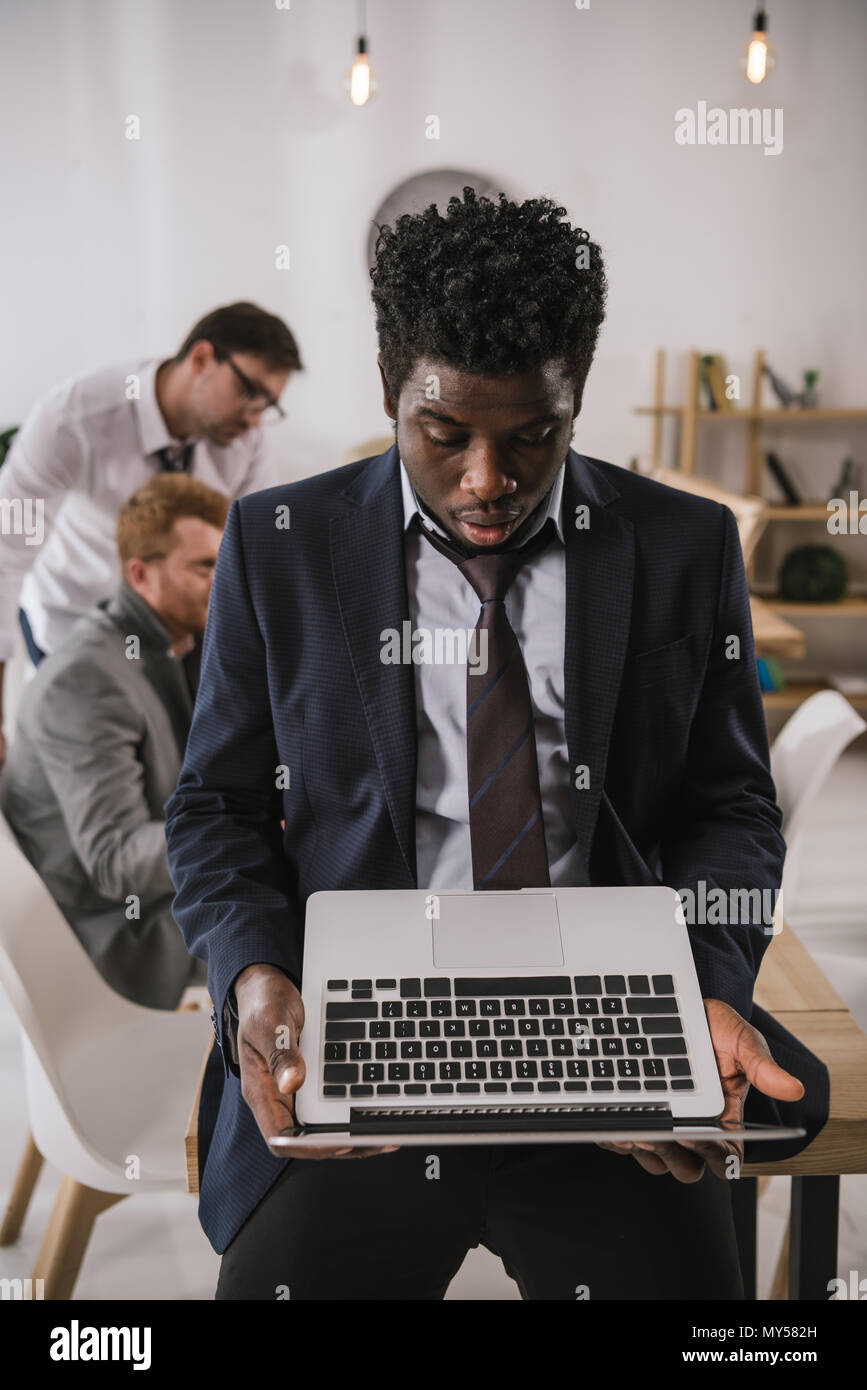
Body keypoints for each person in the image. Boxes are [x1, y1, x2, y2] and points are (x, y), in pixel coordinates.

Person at [164, 188, 828, 1299]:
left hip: (612, 1043)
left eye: (533, 435)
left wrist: (703, 988)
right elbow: (218, 808)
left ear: (577, 396)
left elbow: (731, 806)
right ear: (391, 393)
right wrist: (257, 976)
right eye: (445, 434)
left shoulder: (684, 544)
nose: (488, 481)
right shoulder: (278, 548)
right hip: (362, 1041)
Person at [0, 300, 303, 762]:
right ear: (201, 358)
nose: (255, 417)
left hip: (178, 638)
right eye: (249, 392)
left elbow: (259, 560)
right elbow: (7, 553)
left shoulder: (245, 442)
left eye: (269, 406)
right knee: (92, 772)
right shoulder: (75, 418)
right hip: (73, 622)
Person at [0, 474, 229, 1010]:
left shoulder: (175, 647)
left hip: (167, 905)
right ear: (140, 574)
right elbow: (114, 860)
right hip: (125, 941)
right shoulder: (85, 678)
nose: (223, 581)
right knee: (312, 934)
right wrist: (247, 832)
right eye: (204, 566)